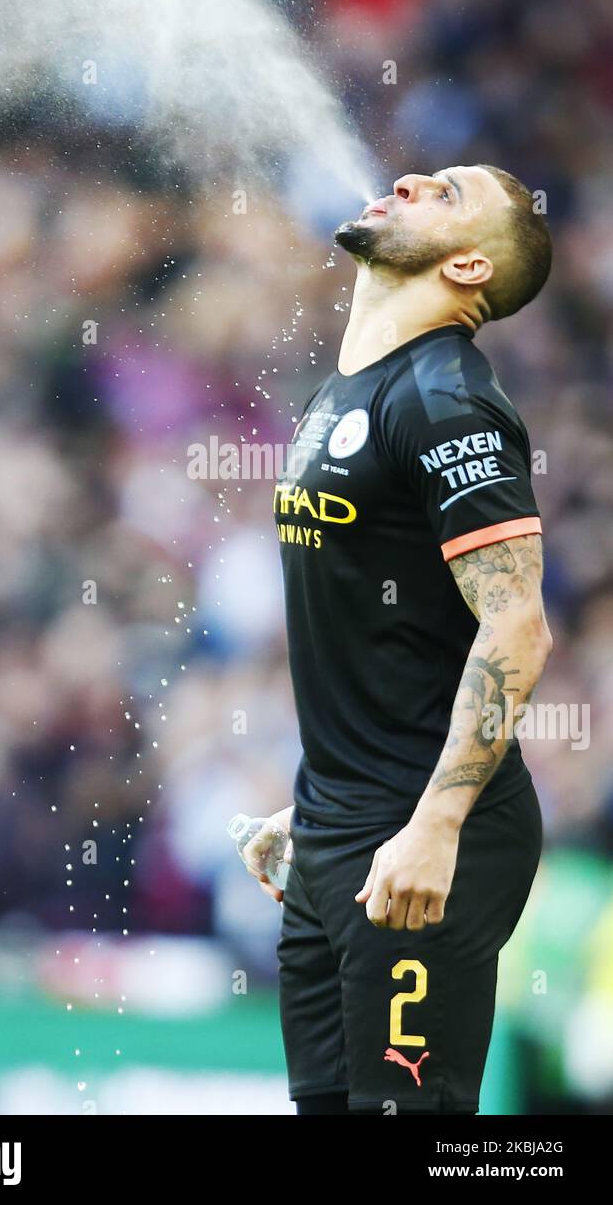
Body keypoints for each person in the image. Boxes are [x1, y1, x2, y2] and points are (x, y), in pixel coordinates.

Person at [245, 164, 553, 1115]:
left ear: (467, 267)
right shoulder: (347, 388)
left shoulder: (445, 400)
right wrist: (326, 798)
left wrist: (433, 826)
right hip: (340, 826)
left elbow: (518, 625)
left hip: (421, 846)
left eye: (447, 192)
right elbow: (386, 626)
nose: (411, 177)